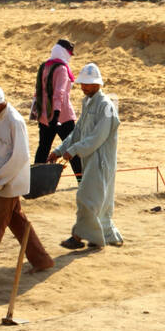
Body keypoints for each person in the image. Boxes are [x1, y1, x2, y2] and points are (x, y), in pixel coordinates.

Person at [0, 83, 53, 282]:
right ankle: (42, 260)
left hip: (9, 182)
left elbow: (21, 156)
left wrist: (1, 178)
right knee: (18, 223)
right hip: (2, 181)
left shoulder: (14, 121)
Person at [48, 63, 123, 249]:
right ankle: (107, 235)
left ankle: (78, 237)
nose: (84, 87)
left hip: (101, 161)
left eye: (88, 84)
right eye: (83, 83)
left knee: (86, 197)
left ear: (98, 84)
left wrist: (73, 150)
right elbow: (78, 131)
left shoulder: (106, 106)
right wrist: (59, 150)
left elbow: (97, 137)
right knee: (99, 201)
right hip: (89, 159)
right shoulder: (88, 103)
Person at [31, 38, 82, 183]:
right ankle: (81, 180)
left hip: (44, 116)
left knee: (43, 148)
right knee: (73, 149)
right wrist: (57, 114)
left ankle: (35, 181)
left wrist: (39, 113)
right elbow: (59, 93)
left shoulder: (44, 66)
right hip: (62, 116)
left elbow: (37, 92)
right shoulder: (61, 69)